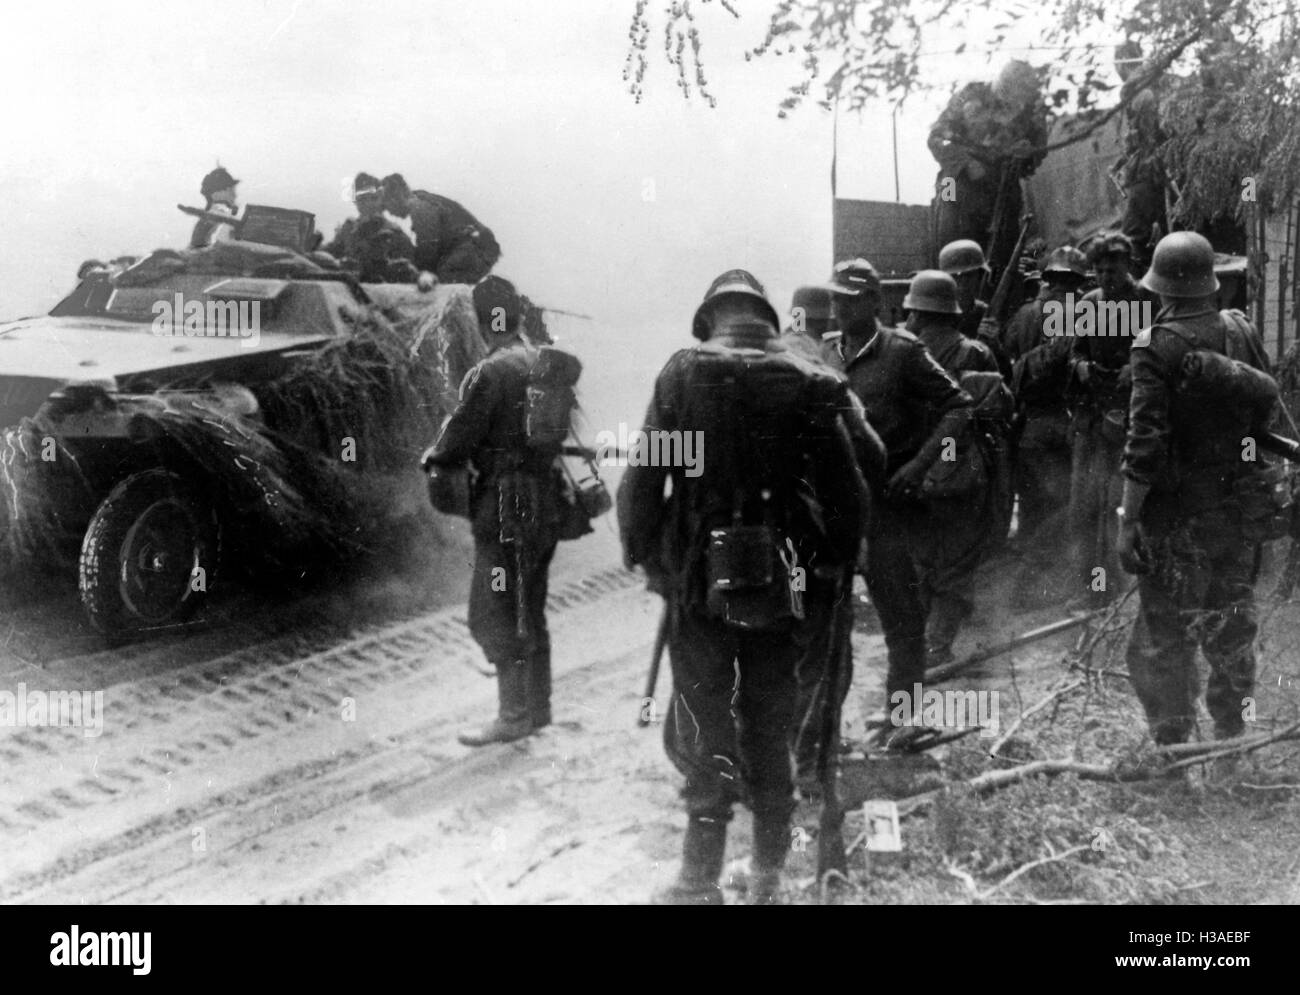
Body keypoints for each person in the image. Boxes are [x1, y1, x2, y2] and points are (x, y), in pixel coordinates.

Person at [618, 269, 865, 905]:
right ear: (765, 320)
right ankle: (768, 877)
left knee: (705, 725)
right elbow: (850, 492)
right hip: (783, 584)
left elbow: (645, 480)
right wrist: (837, 566)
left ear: (711, 320)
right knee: (769, 721)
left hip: (701, 583)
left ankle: (699, 882)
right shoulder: (808, 381)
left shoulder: (682, 375)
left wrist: (646, 556)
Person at [1117, 231, 1280, 749]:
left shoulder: (1152, 344)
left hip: (1174, 516)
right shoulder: (1240, 329)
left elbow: (1145, 442)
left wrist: (1127, 521)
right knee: (1232, 625)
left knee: (1163, 635)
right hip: (1234, 509)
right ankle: (1233, 739)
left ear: (1161, 287)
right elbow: (1265, 408)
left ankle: (1174, 749)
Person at [823, 259, 975, 731]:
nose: (839, 307)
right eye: (834, 299)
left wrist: (919, 465)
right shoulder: (823, 355)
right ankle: (822, 732)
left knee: (903, 621)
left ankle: (903, 719)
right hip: (835, 511)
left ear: (874, 301)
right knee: (826, 626)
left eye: (850, 299)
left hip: (889, 506)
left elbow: (959, 406)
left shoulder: (903, 351)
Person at [422, 276, 568, 746]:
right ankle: (538, 709)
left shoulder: (490, 373)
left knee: (494, 611)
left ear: (483, 321)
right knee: (531, 606)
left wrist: (436, 458)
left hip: (506, 505)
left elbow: (458, 438)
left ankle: (512, 715)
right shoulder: (546, 363)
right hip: (546, 501)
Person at [899, 270, 1009, 664]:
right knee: (958, 561)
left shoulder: (900, 352)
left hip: (914, 469)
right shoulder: (975, 353)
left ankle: (919, 640)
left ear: (917, 312)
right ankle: (937, 645)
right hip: (960, 471)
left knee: (921, 557)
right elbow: (1004, 408)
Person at [1067, 232, 1157, 603]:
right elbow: (1073, 354)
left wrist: (1136, 367)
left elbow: (1166, 349)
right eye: (1099, 269)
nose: (1106, 275)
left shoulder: (1148, 301)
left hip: (1135, 423)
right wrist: (1082, 366)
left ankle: (1126, 594)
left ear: (1129, 264)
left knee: (1119, 510)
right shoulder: (1089, 303)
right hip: (1094, 421)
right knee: (1084, 509)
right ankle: (1093, 592)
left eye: (1113, 268)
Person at [1002, 245, 1088, 604]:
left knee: (1034, 505)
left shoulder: (1024, 314)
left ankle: (1026, 588)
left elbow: (1006, 352)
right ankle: (1038, 589)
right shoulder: (1076, 316)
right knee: (1064, 507)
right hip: (1062, 425)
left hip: (1028, 427)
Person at [929, 60, 1047, 269]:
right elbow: (936, 138)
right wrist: (966, 163)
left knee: (1002, 252)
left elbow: (1039, 151)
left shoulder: (1032, 109)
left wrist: (1026, 154)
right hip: (953, 179)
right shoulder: (970, 94)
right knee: (949, 241)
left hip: (1001, 183)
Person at [382, 173, 501, 284]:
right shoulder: (424, 201)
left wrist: (415, 273)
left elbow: (428, 247)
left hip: (475, 247)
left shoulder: (420, 207)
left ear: (397, 197)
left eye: (387, 205)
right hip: (477, 246)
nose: (389, 212)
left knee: (442, 279)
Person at [324, 172, 416, 282]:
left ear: (381, 198)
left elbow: (412, 273)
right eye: (362, 199)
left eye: (373, 198)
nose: (368, 204)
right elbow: (328, 257)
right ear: (355, 201)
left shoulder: (396, 234)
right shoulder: (347, 231)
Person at [939, 239, 1011, 378]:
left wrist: (995, 344)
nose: (964, 283)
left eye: (970, 276)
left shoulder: (985, 313)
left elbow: (1006, 374)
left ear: (979, 277)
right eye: (958, 277)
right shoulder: (935, 314)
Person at [190, 166, 240, 248]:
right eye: (229, 190)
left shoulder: (208, 215)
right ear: (216, 194)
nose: (234, 195)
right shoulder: (220, 214)